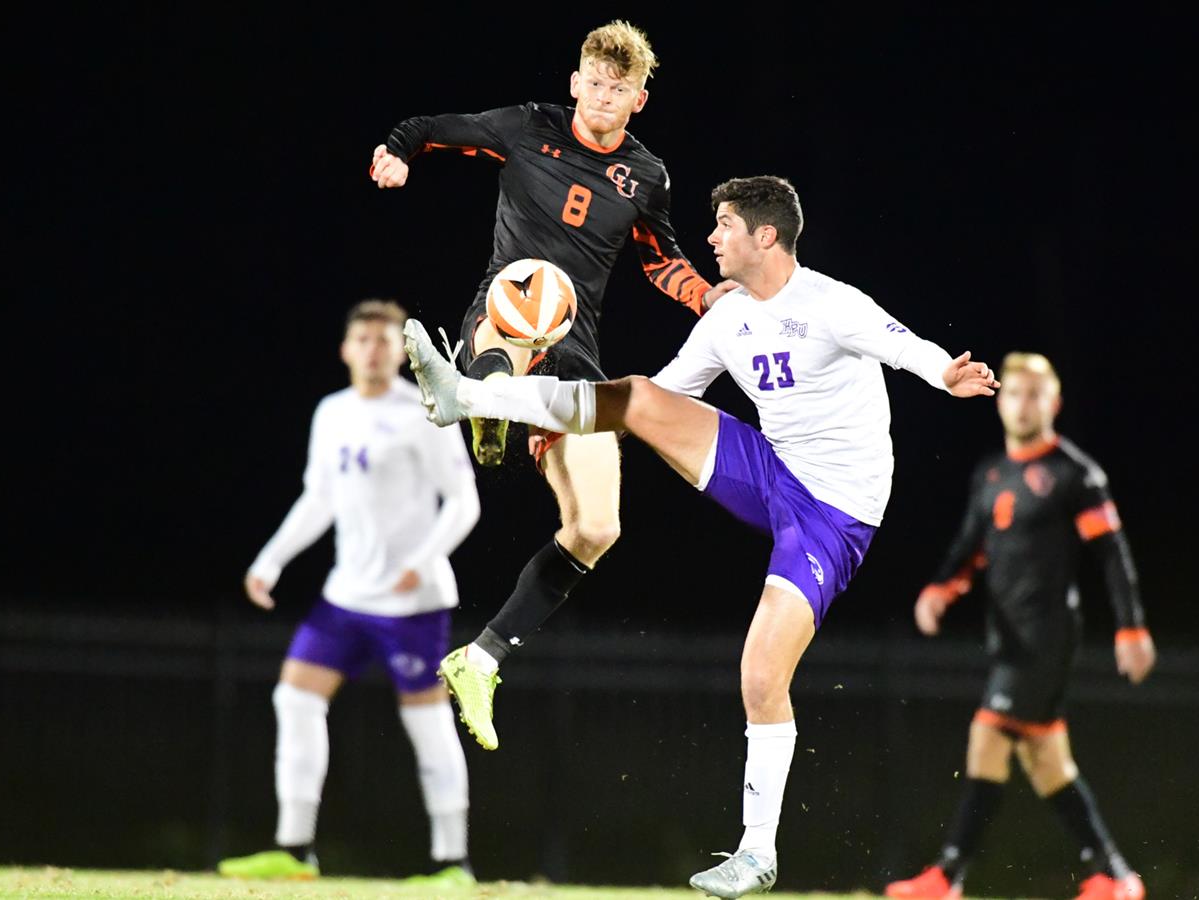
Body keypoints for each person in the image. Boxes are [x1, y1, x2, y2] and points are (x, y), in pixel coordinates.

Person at [404, 176, 999, 898]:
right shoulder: (729, 319)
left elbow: (903, 347)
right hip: (770, 469)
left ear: (765, 236)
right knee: (643, 397)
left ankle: (756, 853)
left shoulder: (831, 304)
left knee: (759, 675)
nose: (710, 238)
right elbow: (653, 398)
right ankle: (465, 396)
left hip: (834, 513)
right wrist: (565, 422)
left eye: (723, 226)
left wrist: (948, 374)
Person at [368, 19, 734, 751]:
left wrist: (704, 296)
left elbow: (660, 258)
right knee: (514, 305)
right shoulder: (527, 127)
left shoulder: (646, 176)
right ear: (575, 83)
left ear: (640, 99)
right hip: (504, 312)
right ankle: (481, 396)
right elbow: (432, 127)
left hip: (577, 349)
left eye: (619, 88)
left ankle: (481, 657)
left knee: (598, 527)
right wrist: (396, 151)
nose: (603, 97)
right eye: (594, 82)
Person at [217, 300, 480, 886]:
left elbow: (465, 502)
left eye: (385, 340)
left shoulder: (425, 411)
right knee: (295, 700)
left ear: (401, 352)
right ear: (345, 349)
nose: (373, 349)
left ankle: (452, 862)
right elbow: (320, 498)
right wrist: (271, 560)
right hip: (346, 597)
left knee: (426, 721)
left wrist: (421, 560)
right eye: (363, 339)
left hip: (413, 603)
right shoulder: (331, 413)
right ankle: (294, 849)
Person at [884, 352, 1153, 900]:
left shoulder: (1074, 474)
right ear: (999, 399)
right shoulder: (991, 473)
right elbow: (970, 547)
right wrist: (940, 587)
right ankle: (1114, 876)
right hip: (1007, 640)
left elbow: (1112, 555)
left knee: (988, 736)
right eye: (1012, 392)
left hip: (1047, 637)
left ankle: (948, 876)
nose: (1021, 403)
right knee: (1048, 763)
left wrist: (1131, 629)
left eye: (1034, 393)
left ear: (1052, 403)